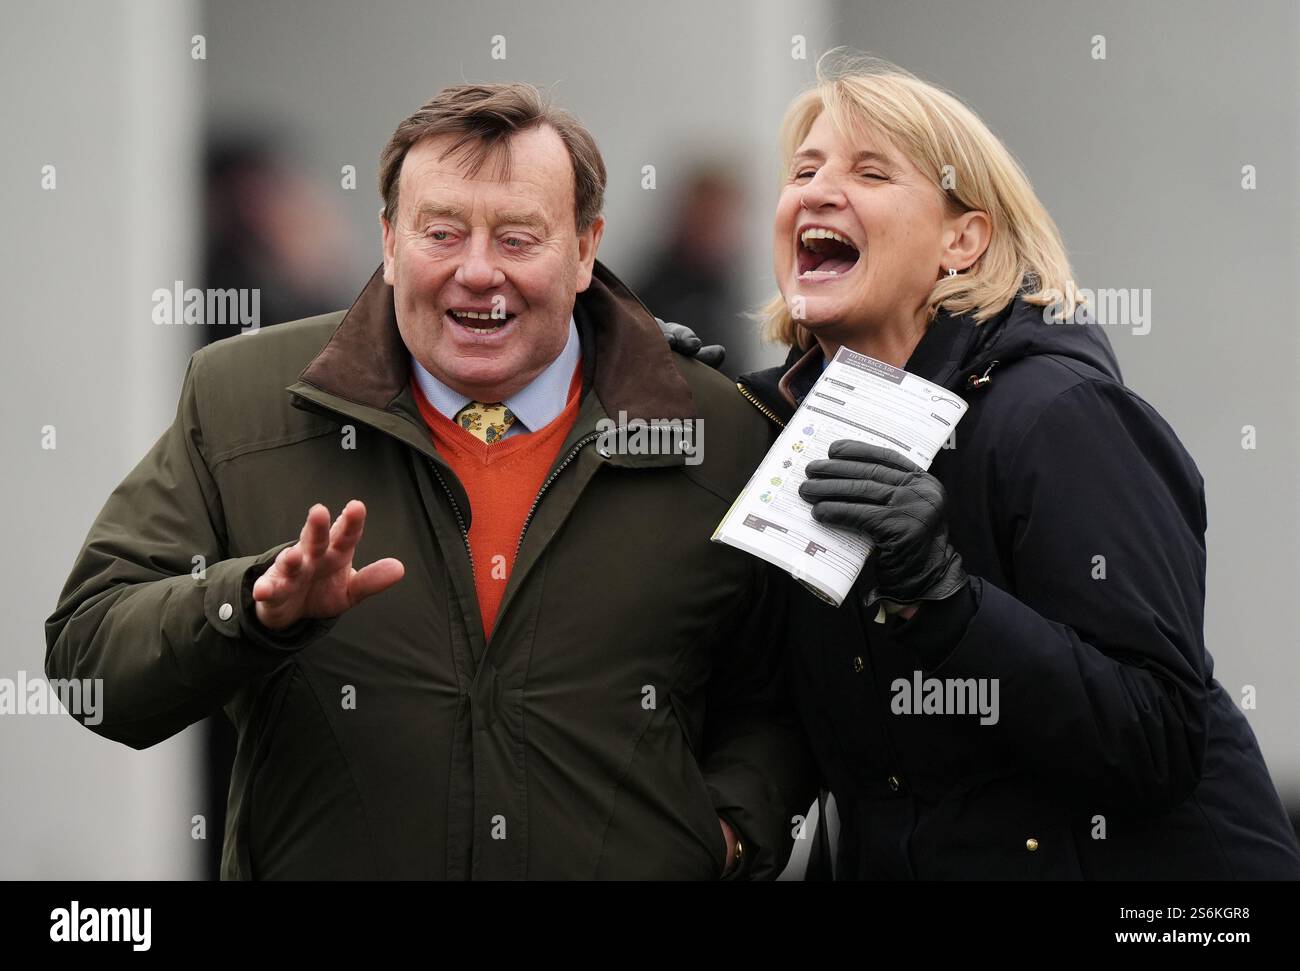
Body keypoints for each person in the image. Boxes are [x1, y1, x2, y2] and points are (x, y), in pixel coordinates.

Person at [45, 82, 816, 880]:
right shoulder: (240, 401)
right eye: (441, 232)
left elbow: (785, 691)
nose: (477, 273)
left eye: (518, 238)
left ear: (587, 250)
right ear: (388, 240)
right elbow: (89, 657)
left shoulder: (716, 433)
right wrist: (248, 606)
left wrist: (727, 835)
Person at [734, 55, 1300, 879]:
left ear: (962, 241)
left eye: (871, 171)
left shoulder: (1059, 416)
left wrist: (948, 602)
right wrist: (645, 392)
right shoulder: (775, 430)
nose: (817, 191)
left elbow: (1158, 740)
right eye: (804, 170)